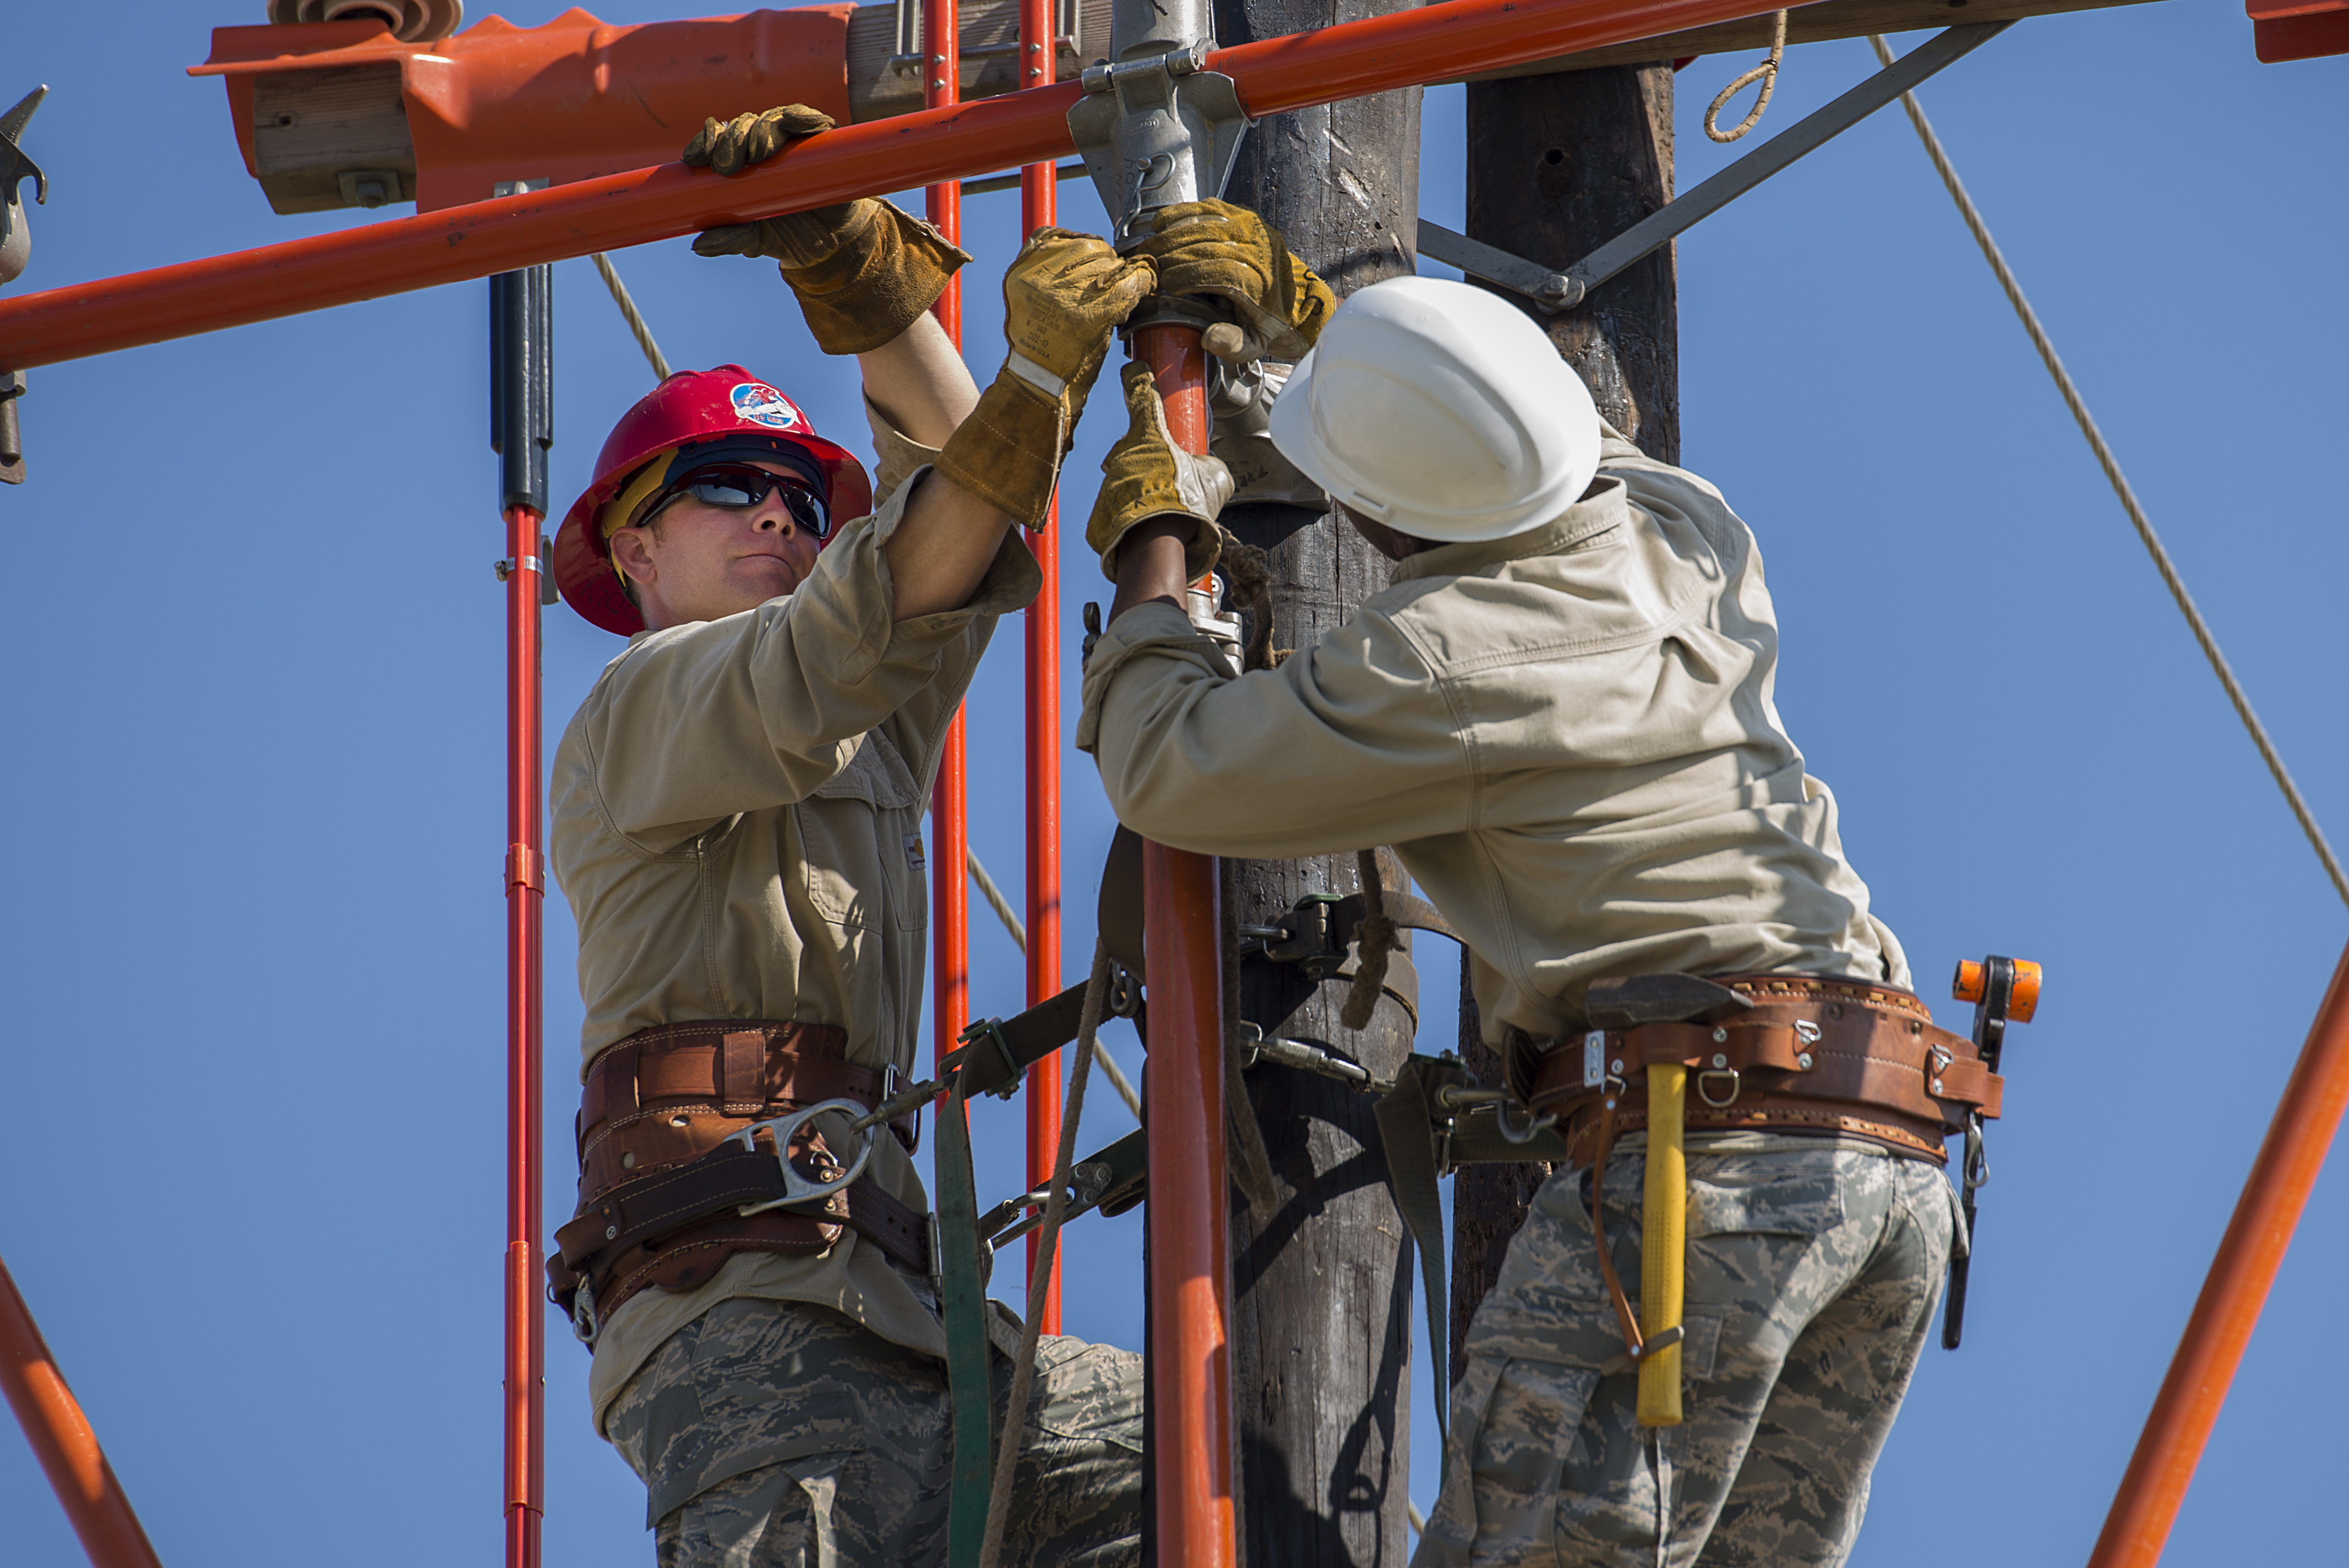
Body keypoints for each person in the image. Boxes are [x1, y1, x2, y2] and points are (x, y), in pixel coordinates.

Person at [1080, 205, 1972, 1568]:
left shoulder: (1443, 657)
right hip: (1889, 1155)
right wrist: (1318, 322)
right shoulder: (1681, 523)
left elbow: (1173, 767)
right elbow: (1499, 436)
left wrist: (1154, 546)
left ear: (1374, 510)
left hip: (1700, 1155)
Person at [543, 105, 1153, 1567]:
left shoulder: (862, 713)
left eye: (804, 497)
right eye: (722, 490)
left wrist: (866, 284)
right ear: (633, 549)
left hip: (900, 1304)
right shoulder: (645, 704)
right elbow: (869, 601)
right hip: (740, 1317)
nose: (775, 512)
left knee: (1225, 1451)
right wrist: (1030, 376)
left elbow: (969, 513)